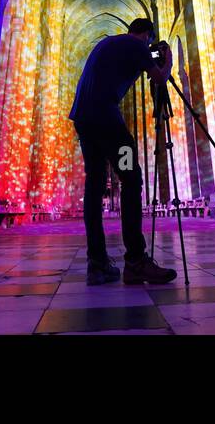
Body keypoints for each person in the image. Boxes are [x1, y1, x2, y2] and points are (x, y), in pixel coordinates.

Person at [69, 18, 178, 286]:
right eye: (150, 41)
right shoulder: (137, 45)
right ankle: (136, 261)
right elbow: (160, 77)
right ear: (147, 35)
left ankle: (97, 264)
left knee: (94, 184)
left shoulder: (108, 43)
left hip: (83, 119)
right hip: (106, 117)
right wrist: (169, 60)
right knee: (131, 177)